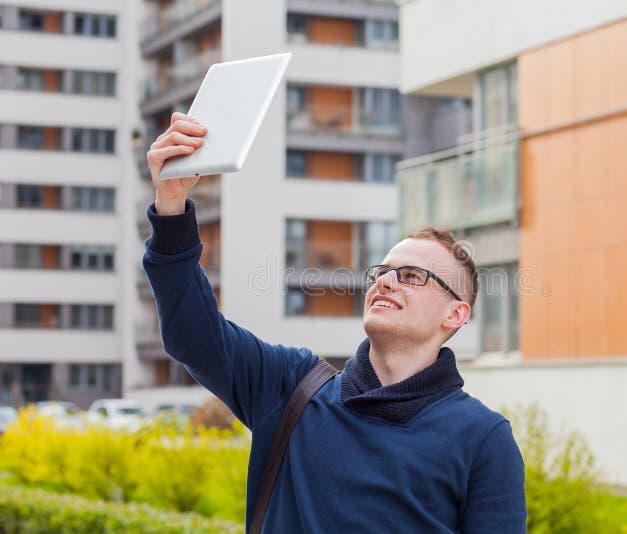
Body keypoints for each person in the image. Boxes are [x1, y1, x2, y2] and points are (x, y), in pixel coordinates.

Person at [143, 112, 526, 533]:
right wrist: (172, 205)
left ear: (455, 313)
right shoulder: (291, 387)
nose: (386, 282)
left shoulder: (483, 438)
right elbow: (194, 335)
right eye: (381, 272)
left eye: (413, 276)